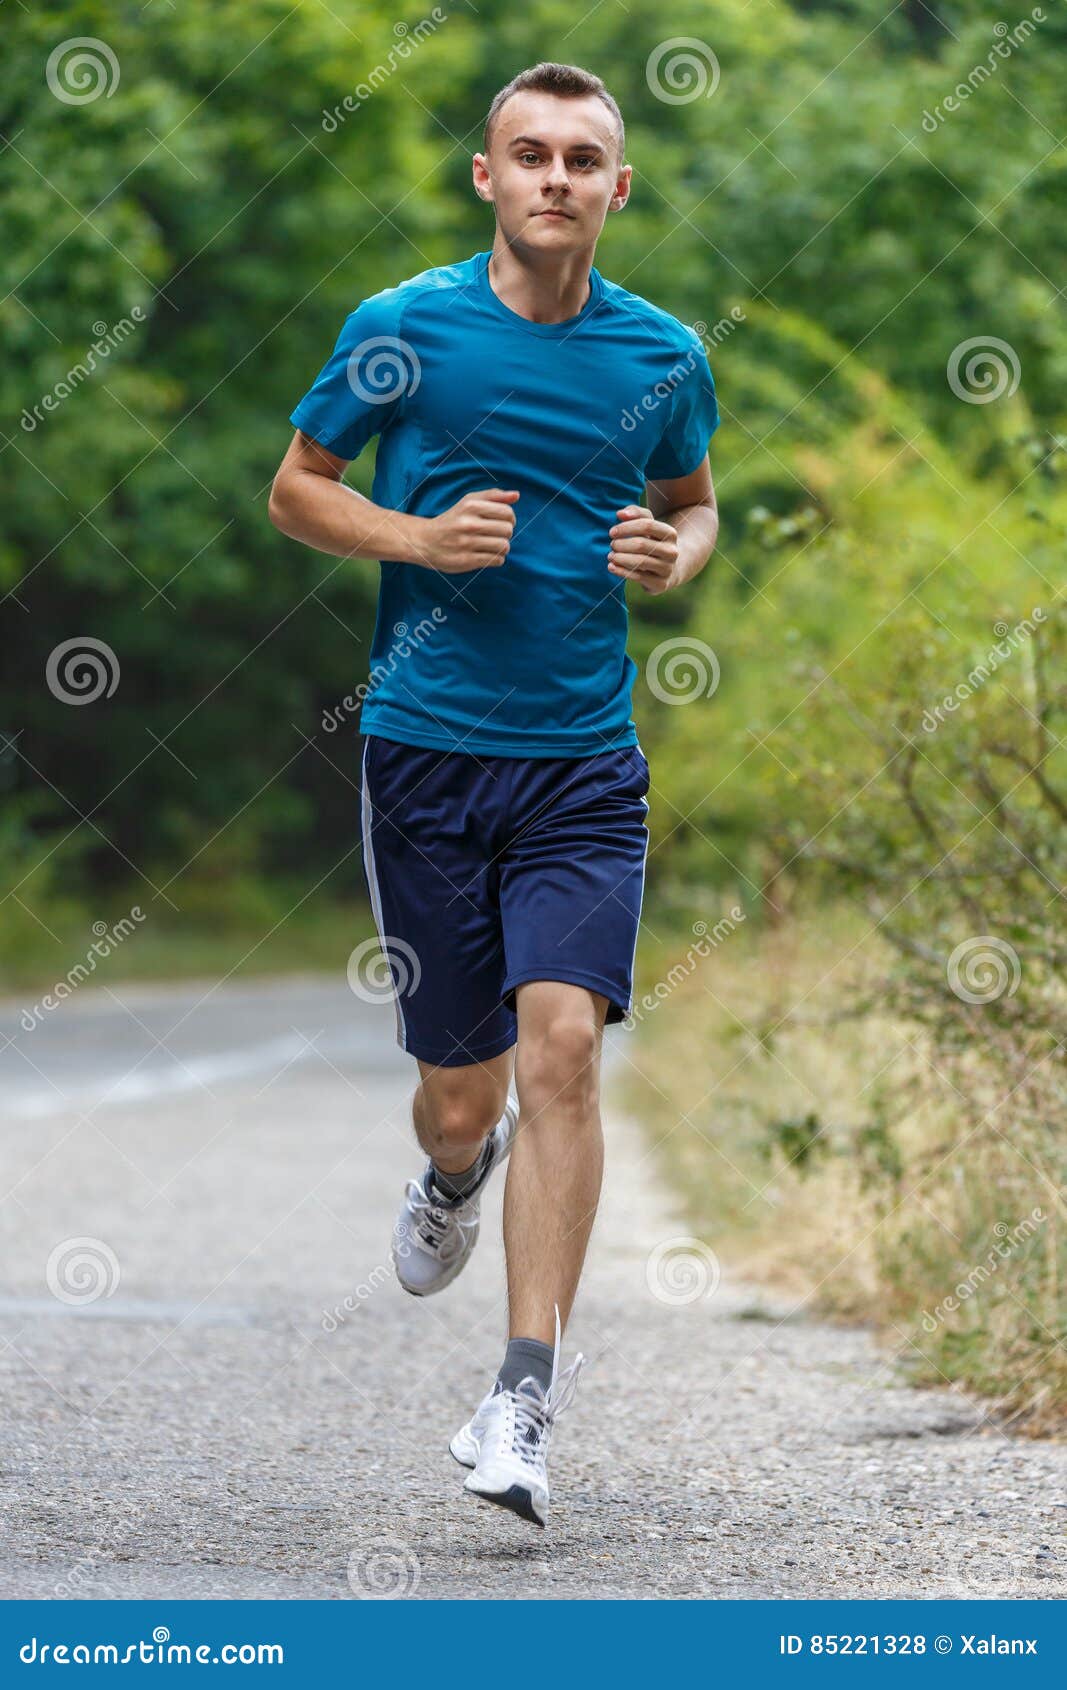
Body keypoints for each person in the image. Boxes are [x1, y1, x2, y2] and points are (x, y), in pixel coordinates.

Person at [269, 60, 720, 1528]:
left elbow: (693, 501)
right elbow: (297, 485)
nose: (554, 179)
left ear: (616, 188)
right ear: (486, 177)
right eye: (527, 154)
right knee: (462, 1099)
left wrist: (676, 556)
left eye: (582, 159)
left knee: (565, 1049)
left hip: (585, 759)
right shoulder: (406, 328)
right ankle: (455, 1175)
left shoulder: (661, 355)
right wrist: (415, 534)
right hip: (426, 751)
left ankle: (522, 1395)